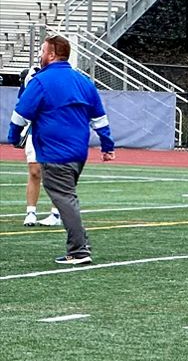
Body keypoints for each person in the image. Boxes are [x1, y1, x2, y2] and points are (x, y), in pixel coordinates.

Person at [8, 35, 115, 265]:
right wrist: (107, 146)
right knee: (66, 196)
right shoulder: (83, 81)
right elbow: (100, 118)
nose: (40, 55)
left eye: (43, 51)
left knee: (65, 199)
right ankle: (78, 246)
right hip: (79, 152)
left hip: (55, 151)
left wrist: (12, 137)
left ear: (52, 54)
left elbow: (20, 113)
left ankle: (79, 250)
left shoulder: (41, 81)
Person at [16, 66, 62, 228]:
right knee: (34, 171)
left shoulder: (63, 77)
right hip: (35, 129)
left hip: (56, 130)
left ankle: (55, 213)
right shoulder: (33, 75)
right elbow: (22, 102)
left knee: (55, 173)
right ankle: (30, 212)